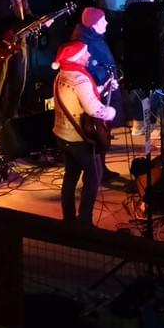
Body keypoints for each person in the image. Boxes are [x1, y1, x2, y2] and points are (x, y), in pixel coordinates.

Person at [50, 42, 116, 226]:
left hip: (62, 136)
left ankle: (69, 219)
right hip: (79, 140)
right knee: (94, 176)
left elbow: (81, 97)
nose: (88, 56)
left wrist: (104, 88)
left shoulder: (61, 75)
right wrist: (110, 112)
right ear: (75, 57)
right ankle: (85, 220)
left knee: (70, 176)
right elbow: (94, 109)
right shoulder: (80, 79)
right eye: (85, 54)